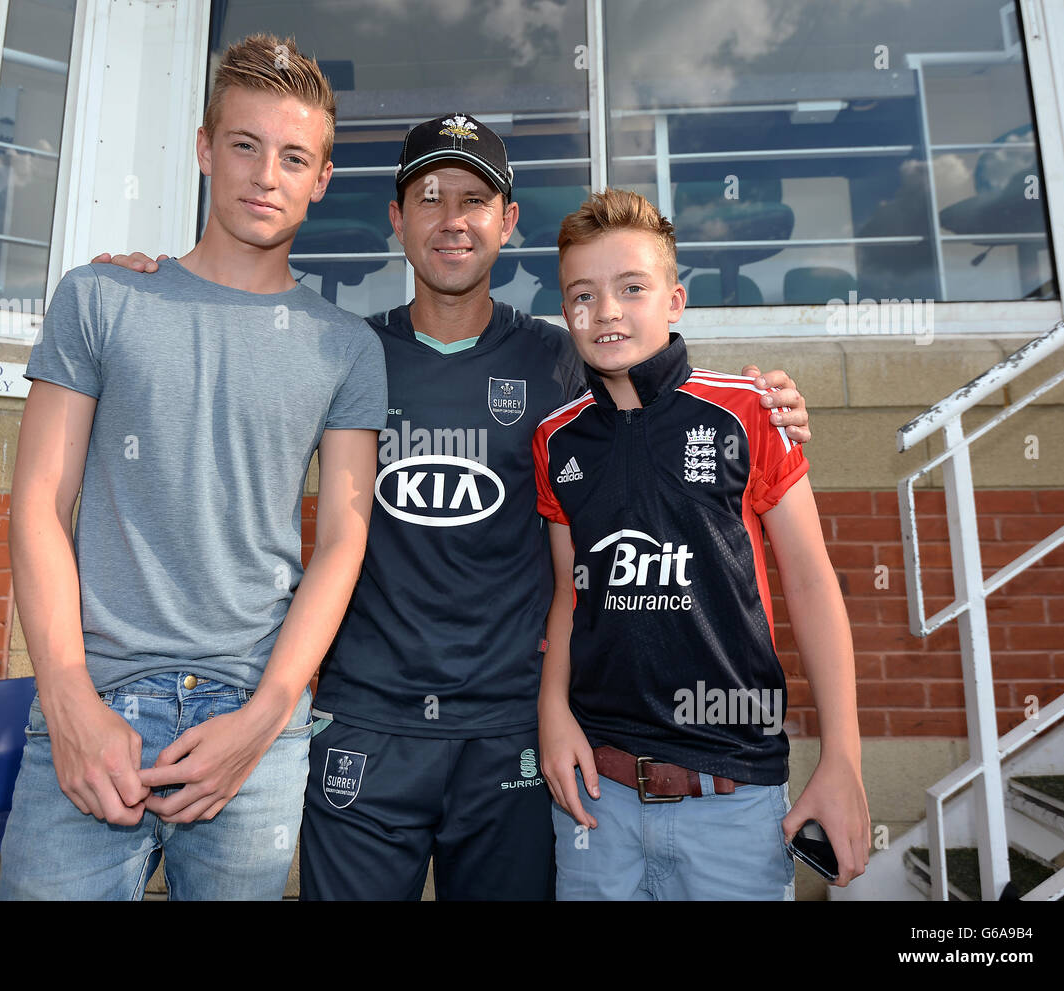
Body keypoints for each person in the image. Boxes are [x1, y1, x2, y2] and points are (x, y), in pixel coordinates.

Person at [98, 116, 811, 901]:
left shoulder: (562, 360)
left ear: (507, 221)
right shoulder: (337, 350)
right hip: (363, 727)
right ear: (397, 218)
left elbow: (655, 379)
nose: (452, 219)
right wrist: (154, 284)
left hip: (511, 733)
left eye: (475, 199)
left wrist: (766, 400)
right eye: (429, 197)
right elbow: (225, 366)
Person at [0, 34, 387, 901]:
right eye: (245, 145)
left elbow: (342, 546)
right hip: (96, 706)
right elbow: (37, 504)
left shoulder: (346, 348)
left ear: (322, 178)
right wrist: (64, 697)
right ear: (206, 149)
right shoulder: (100, 298)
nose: (266, 174)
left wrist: (266, 717)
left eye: (294, 157)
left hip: (252, 729)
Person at [533, 188, 869, 900]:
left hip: (735, 797)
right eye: (582, 295)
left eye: (632, 287)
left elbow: (811, 582)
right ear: (566, 311)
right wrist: (552, 712)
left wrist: (842, 756)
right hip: (599, 796)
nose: (608, 311)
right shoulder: (555, 438)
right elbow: (570, 593)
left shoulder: (751, 411)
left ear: (676, 300)